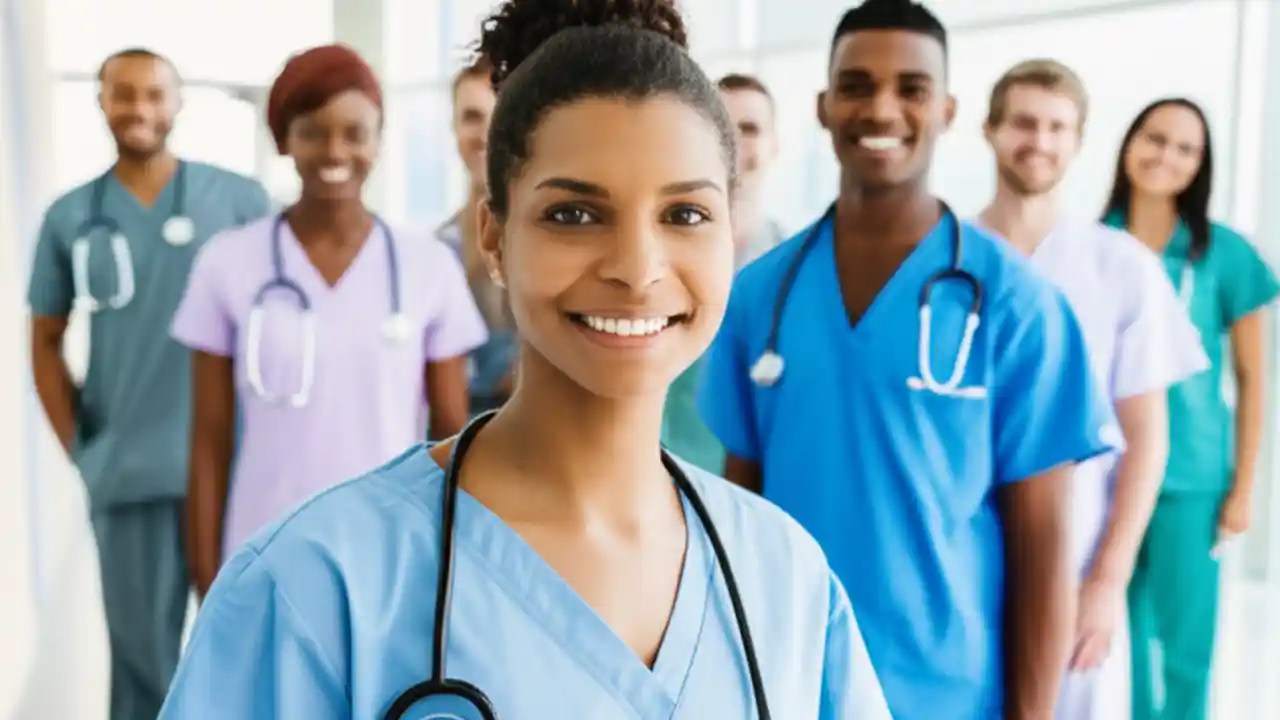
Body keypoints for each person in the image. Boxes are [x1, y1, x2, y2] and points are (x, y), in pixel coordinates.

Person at [158, 2, 892, 717]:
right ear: (493, 237)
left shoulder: (787, 580)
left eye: (685, 214)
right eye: (574, 214)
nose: (637, 269)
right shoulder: (316, 586)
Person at [698, 2, 1123, 718]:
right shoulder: (759, 296)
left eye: (912, 88)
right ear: (824, 106)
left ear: (948, 110)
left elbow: (1044, 554)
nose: (882, 108)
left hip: (949, 695)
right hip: (791, 681)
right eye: (857, 86)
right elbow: (739, 517)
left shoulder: (1016, 305)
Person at [169, 44, 487, 598]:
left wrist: (451, 569)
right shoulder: (228, 262)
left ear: (378, 140)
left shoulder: (427, 265)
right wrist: (208, 583)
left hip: (391, 554)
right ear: (283, 139)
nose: (335, 150)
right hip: (264, 551)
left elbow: (451, 436)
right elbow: (209, 442)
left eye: (355, 133)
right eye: (313, 132)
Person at [25, 47, 270, 720]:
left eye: (154, 94)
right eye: (123, 93)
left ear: (178, 103)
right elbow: (43, 340)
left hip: (238, 469)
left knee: (249, 650)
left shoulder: (239, 201)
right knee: (144, 670)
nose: (139, 108)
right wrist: (85, 450)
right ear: (101, 102)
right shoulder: (71, 216)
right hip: (131, 470)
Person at [974, 60, 1207, 720]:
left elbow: (1147, 440)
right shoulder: (947, 256)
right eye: (1024, 123)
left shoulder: (1120, 265)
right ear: (990, 129)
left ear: (1079, 141)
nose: (1040, 141)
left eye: (1058, 127)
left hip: (1078, 566)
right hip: (961, 563)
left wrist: (1108, 579)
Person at [1101, 97, 1280, 720]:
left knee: (1183, 649)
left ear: (1202, 165)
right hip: (1105, 473)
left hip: (1191, 479)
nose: (1166, 156)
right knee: (1112, 643)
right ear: (1129, 142)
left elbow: (1254, 380)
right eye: (1155, 138)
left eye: (1186, 149)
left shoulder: (1225, 254)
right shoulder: (1093, 243)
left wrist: (1243, 489)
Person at [660, 73, 784, 472]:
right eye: (721, 126)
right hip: (667, 471)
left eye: (749, 129)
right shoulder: (659, 255)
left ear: (774, 145)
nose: (734, 142)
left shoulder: (794, 271)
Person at [437, 56, 518, 414]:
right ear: (453, 128)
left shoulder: (562, 235)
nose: (486, 132)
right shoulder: (440, 251)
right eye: (471, 117)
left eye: (499, 115)